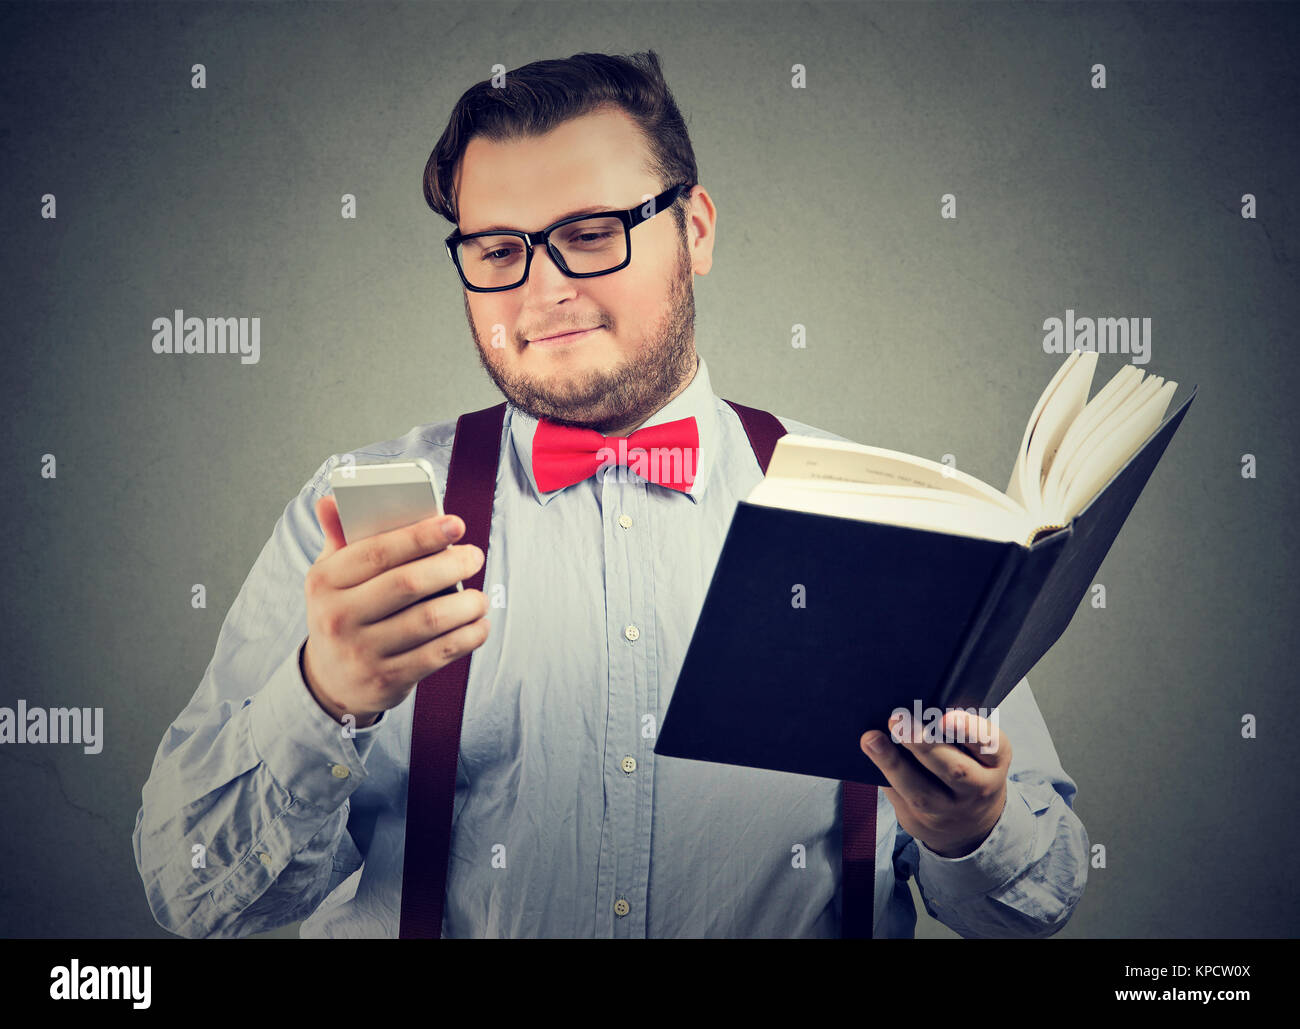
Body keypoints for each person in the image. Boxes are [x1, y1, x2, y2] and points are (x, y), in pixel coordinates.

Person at [133, 50, 1087, 938]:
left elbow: (1034, 903)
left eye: (590, 234)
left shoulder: (878, 517)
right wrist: (322, 698)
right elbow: (194, 896)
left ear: (696, 230)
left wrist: (973, 823)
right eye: (499, 250)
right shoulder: (353, 524)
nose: (542, 289)